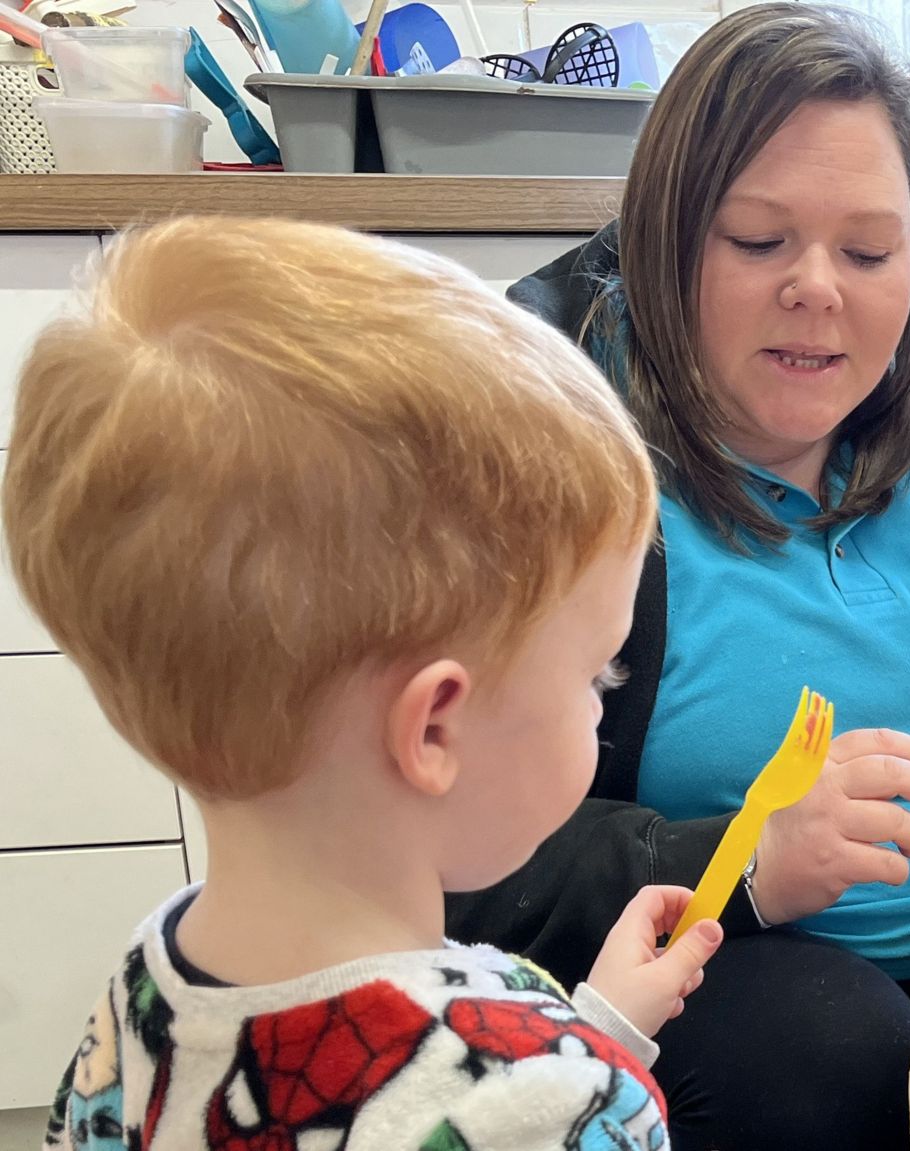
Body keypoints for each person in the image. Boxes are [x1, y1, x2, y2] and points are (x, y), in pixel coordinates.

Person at [446, 5, 910, 1146]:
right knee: (826, 1049)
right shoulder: (546, 476)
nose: (816, 288)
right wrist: (741, 861)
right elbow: (456, 855)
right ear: (661, 242)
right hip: (760, 1006)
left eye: (867, 249)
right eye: (755, 241)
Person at [7, 218, 723, 1150]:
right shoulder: (563, 1105)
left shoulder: (140, 998)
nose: (603, 704)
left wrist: (597, 1026)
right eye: (598, 672)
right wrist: (592, 1072)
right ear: (433, 730)